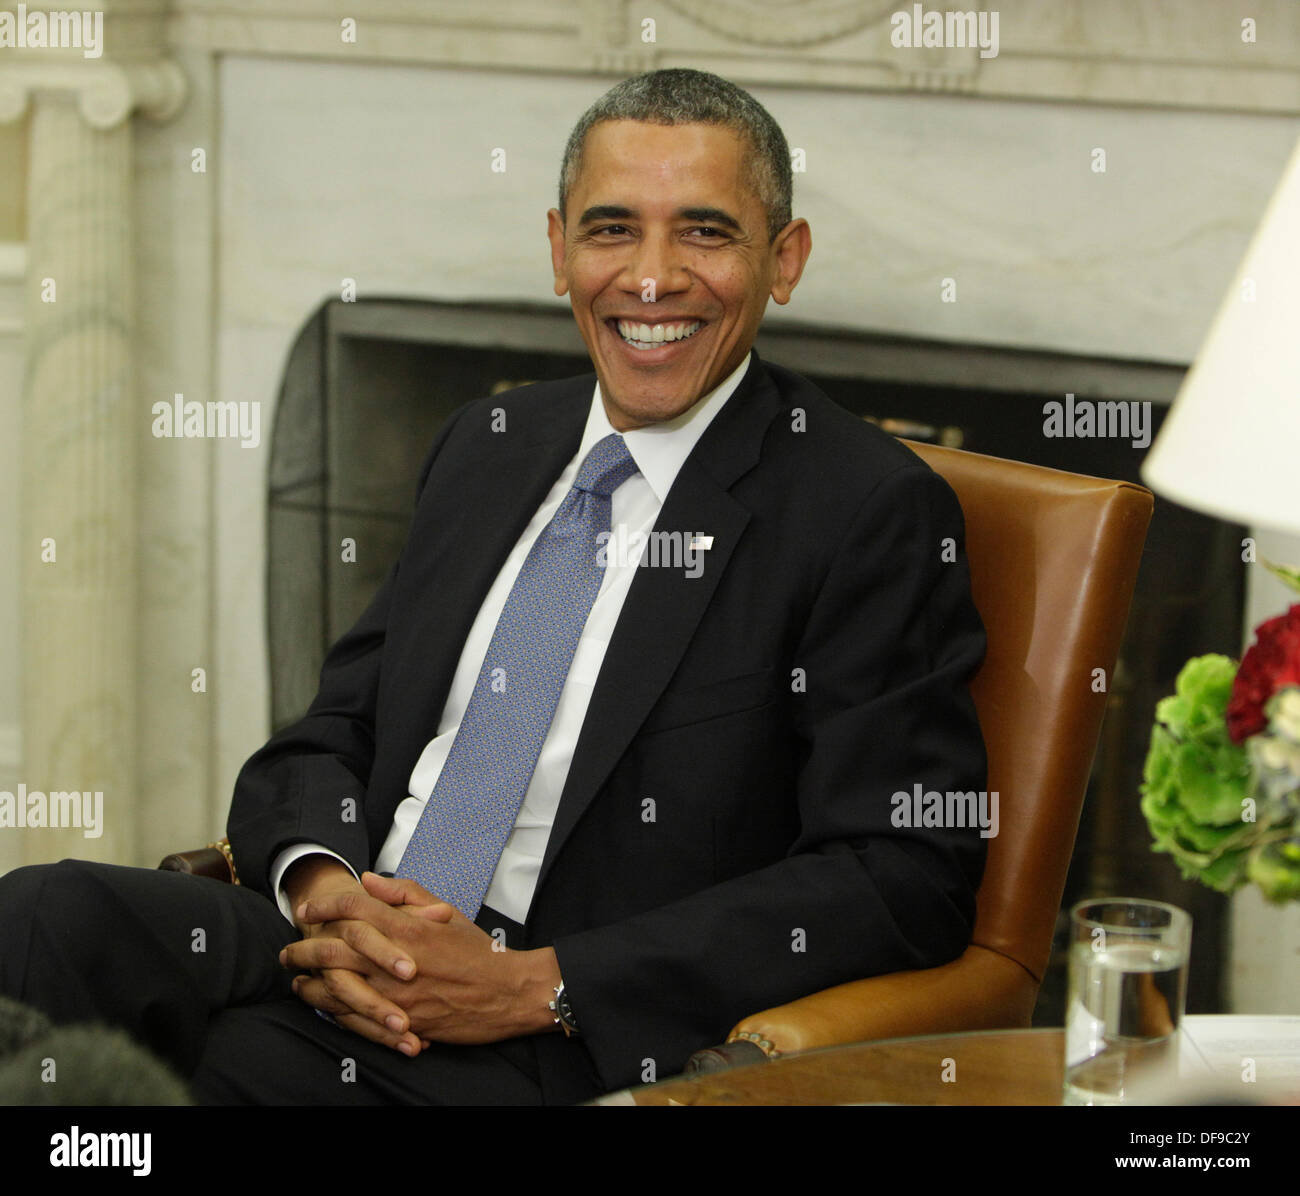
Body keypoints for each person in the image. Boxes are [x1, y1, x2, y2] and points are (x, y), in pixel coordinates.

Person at [0, 68, 987, 1106]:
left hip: (551, 1026)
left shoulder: (865, 509)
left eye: (703, 232)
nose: (651, 278)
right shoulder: (490, 441)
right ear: (560, 250)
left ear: (783, 259)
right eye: (612, 230)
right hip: (339, 940)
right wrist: (328, 895)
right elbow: (333, 725)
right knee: (39, 920)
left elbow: (902, 871)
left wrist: (536, 985)